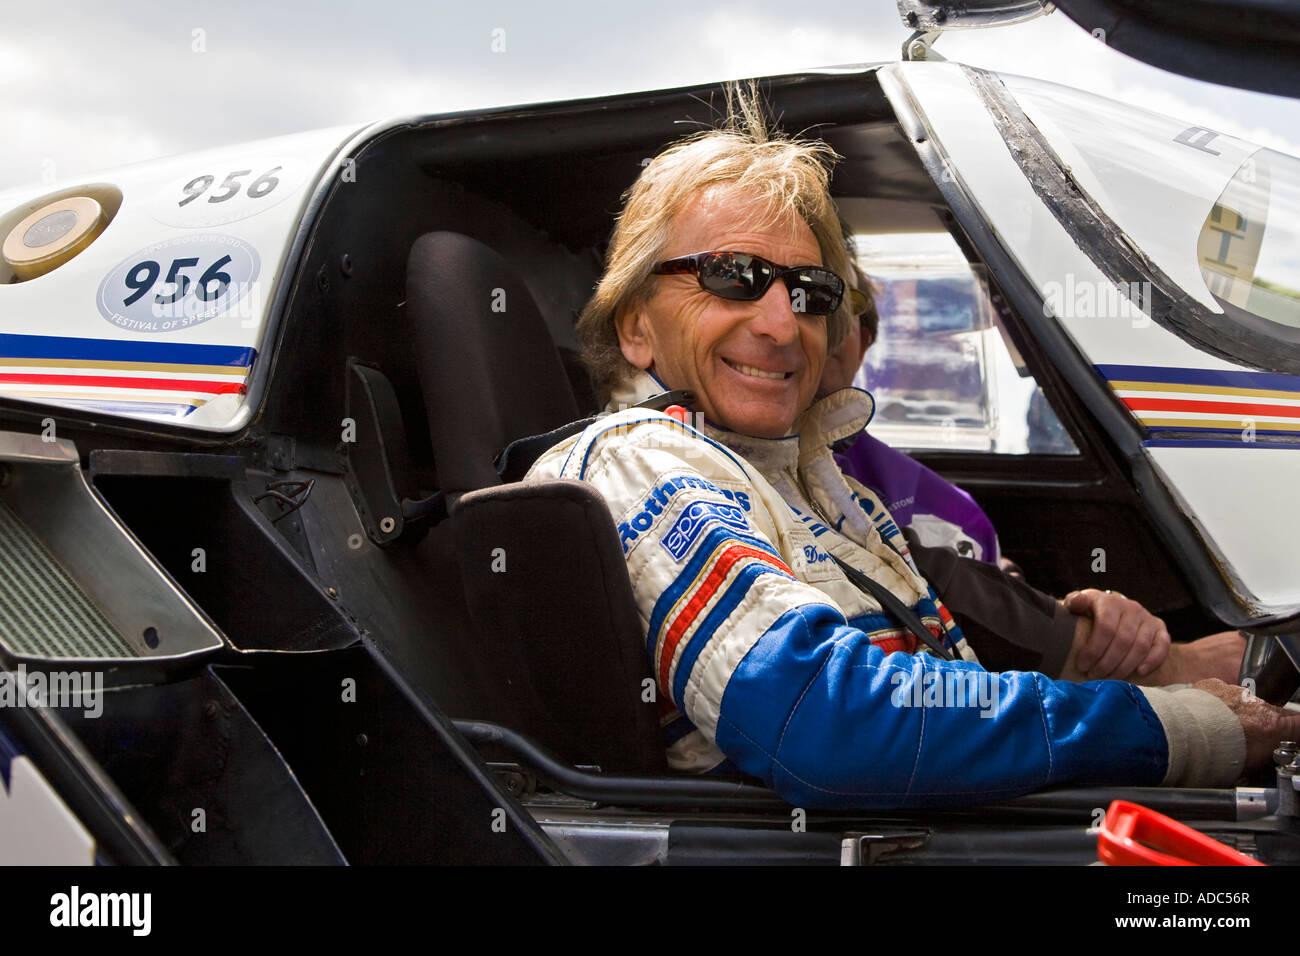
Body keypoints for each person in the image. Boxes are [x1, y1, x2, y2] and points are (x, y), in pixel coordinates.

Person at [524, 96, 1298, 809]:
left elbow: (945, 693)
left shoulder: (830, 493)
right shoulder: (639, 460)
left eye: (809, 292)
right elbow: (830, 718)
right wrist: (1174, 726)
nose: (781, 324)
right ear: (635, 325)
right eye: (733, 277)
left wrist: (1103, 657)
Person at [822, 262, 1247, 685]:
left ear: (864, 340)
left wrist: (1092, 618)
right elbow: (926, 580)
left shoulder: (919, 489)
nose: (816, 323)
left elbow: (974, 572)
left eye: (837, 300)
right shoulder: (779, 494)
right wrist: (1163, 664)